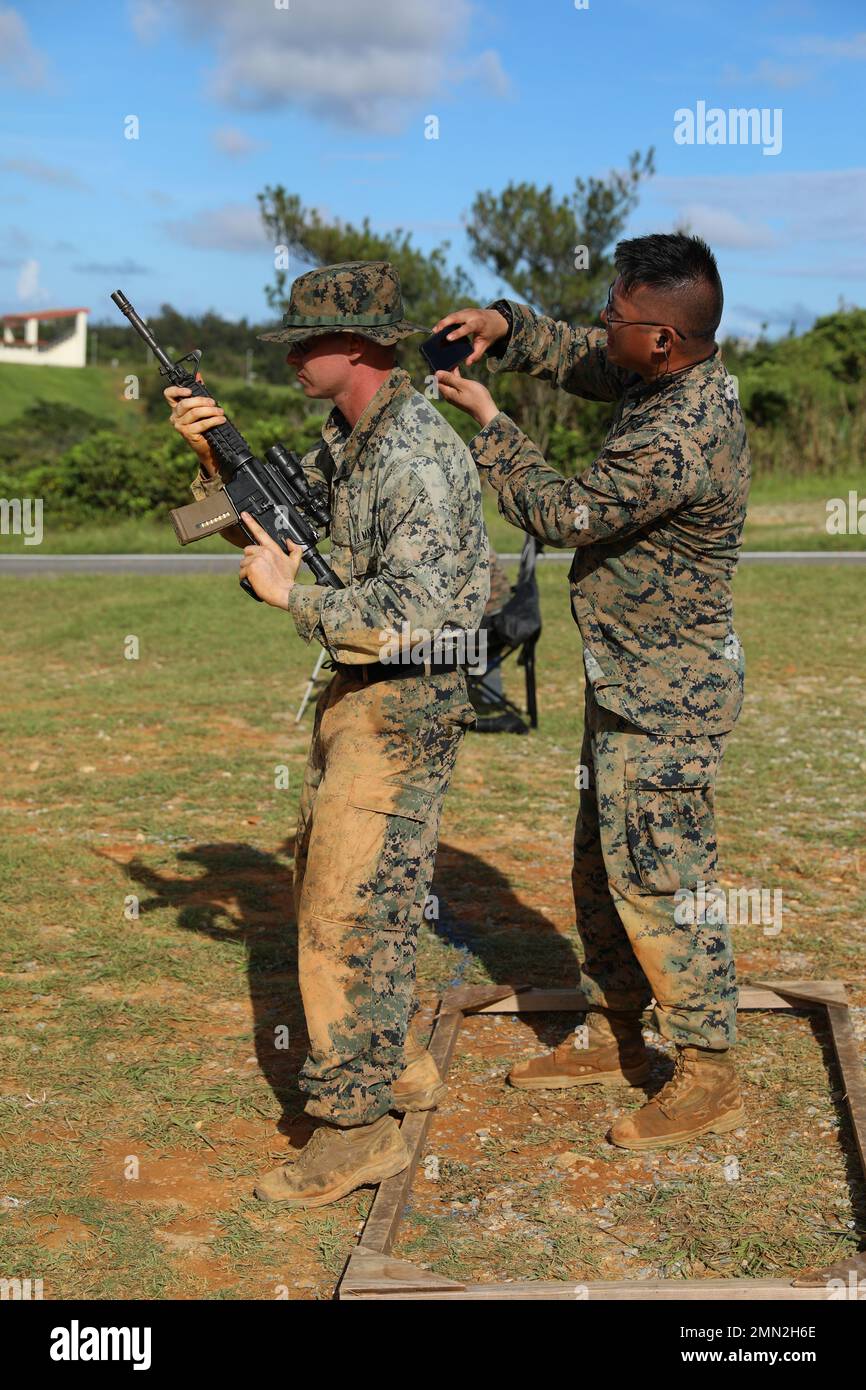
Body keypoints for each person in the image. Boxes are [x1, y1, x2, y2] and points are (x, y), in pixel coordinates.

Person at [165, 261, 489, 1204]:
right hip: (362, 690)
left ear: (356, 348)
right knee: (349, 882)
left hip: (406, 696)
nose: (294, 359)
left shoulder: (413, 456)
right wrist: (213, 456)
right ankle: (395, 1066)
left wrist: (293, 598)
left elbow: (423, 609)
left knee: (347, 909)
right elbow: (257, 525)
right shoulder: (349, 439)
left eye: (304, 345)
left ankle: (355, 1130)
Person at [433, 233, 749, 1151]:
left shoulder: (678, 432)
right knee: (603, 863)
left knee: (663, 877)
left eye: (616, 312)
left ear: (662, 338)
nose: (602, 321)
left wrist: (490, 423)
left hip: (668, 695)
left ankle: (709, 1070)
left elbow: (564, 512)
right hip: (628, 674)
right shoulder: (663, 373)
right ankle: (622, 1036)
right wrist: (508, 324)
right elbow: (580, 356)